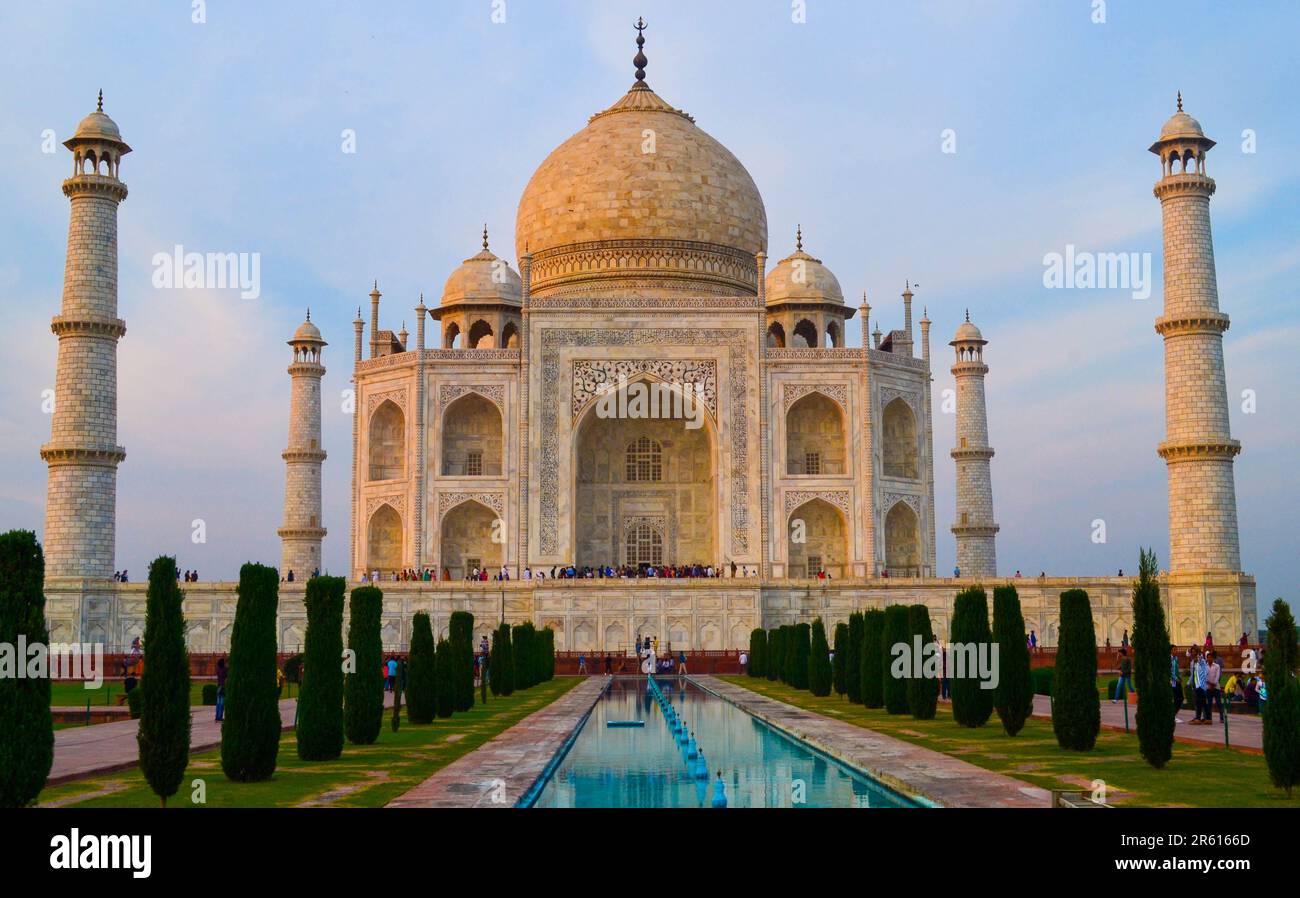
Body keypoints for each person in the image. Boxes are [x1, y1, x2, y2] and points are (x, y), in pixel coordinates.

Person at [1191, 648, 1209, 724]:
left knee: (1199, 702)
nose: (1193, 654)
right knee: (1203, 702)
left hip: (1201, 685)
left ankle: (1198, 718)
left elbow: (1205, 672)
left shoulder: (1201, 661)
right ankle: (1207, 718)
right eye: (1192, 653)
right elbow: (1193, 674)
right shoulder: (1194, 663)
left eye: (1195, 653)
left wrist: (1199, 655)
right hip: (1197, 685)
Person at [1206, 650, 1224, 723]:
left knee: (1219, 703)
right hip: (1208, 687)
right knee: (1209, 703)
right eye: (1208, 658)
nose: (1209, 659)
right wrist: (1209, 684)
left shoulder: (1217, 666)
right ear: (1206, 658)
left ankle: (1222, 717)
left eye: (1211, 658)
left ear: (1213, 658)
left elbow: (1217, 676)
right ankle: (1209, 718)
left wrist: (1213, 684)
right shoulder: (1205, 666)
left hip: (1216, 687)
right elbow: (1204, 676)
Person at [1170, 644, 1184, 723]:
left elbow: (1176, 670)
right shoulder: (1169, 659)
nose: (1176, 651)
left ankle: (1173, 714)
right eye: (1174, 649)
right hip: (1172, 682)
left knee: (1180, 698)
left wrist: (1179, 677)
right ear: (1171, 650)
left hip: (1177, 681)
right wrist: (1176, 678)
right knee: (1176, 698)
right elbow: (1170, 671)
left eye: (1176, 649)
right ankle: (1172, 716)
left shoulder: (1176, 658)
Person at [215, 657, 227, 722]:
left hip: (218, 686)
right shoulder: (224, 669)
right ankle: (220, 717)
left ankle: (217, 716)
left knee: (218, 703)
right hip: (222, 687)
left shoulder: (218, 669)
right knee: (222, 703)